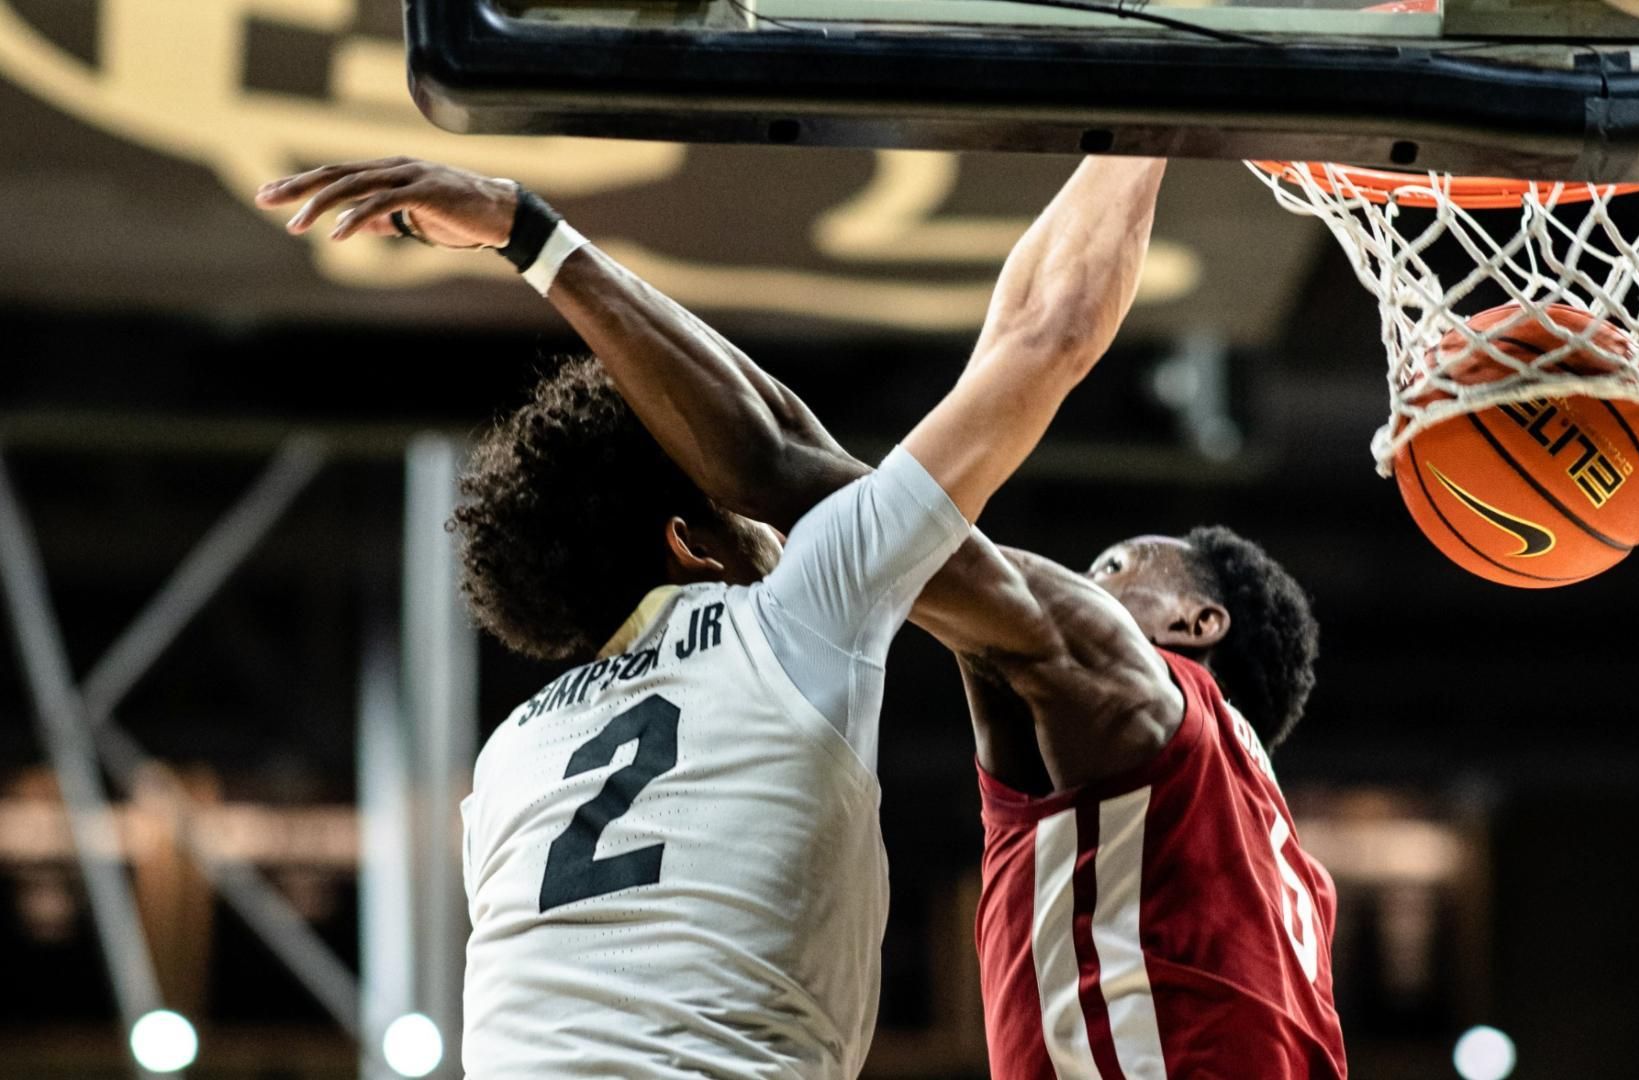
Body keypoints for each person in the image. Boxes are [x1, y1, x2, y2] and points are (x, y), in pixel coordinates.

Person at [255, 153, 1166, 1079]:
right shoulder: (791, 618)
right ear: (697, 545)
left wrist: (531, 236)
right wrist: (1149, 116)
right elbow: (1045, 332)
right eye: (753, 521)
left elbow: (768, 439)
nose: (779, 533)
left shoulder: (508, 758)